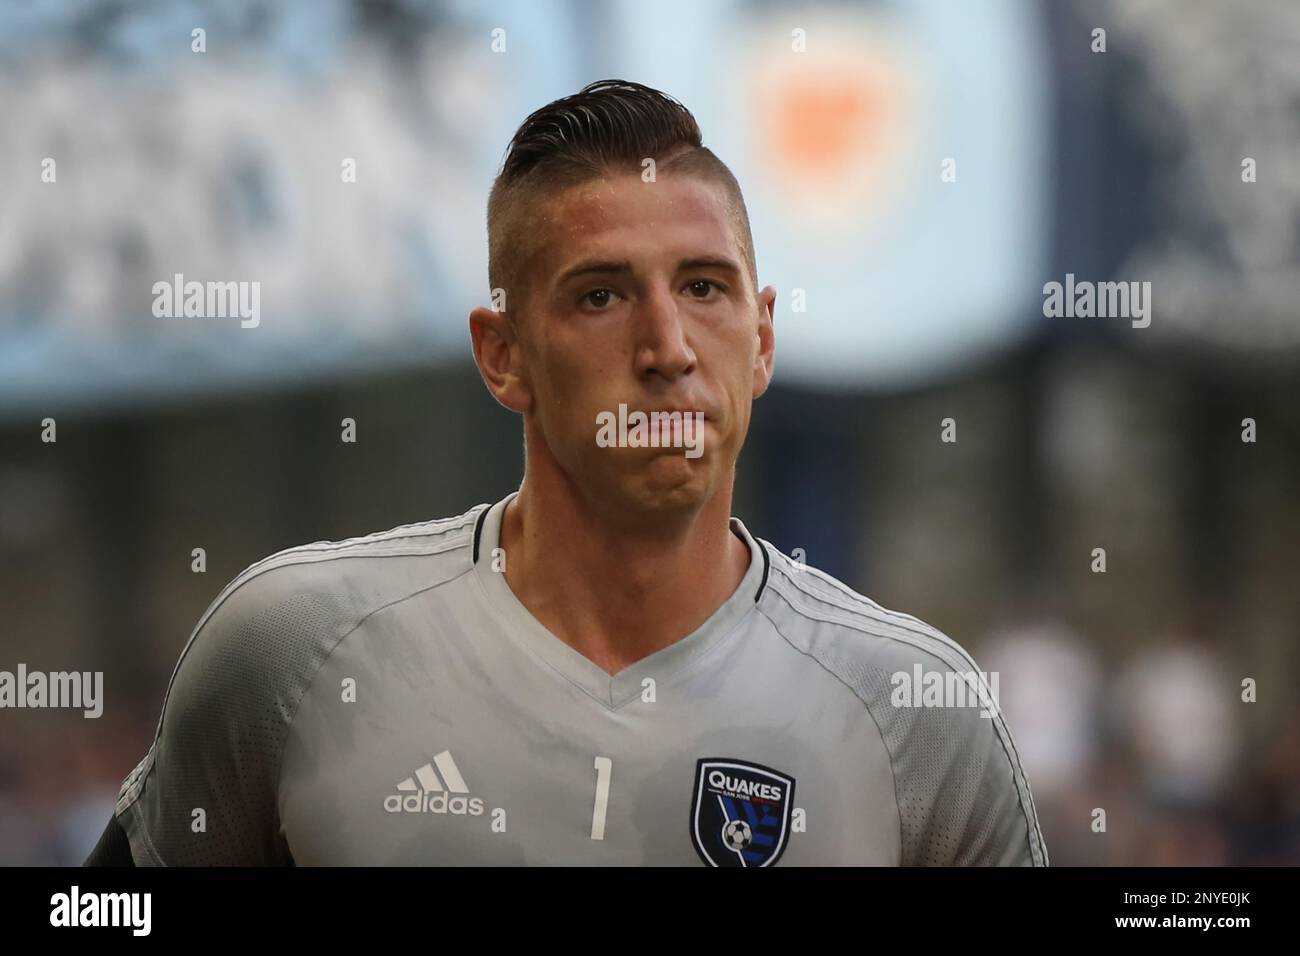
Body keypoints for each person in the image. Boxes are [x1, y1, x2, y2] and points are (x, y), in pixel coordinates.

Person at [86, 79, 1046, 866]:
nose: (668, 347)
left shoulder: (918, 717)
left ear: (761, 340)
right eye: (601, 295)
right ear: (502, 355)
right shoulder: (291, 652)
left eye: (705, 288)